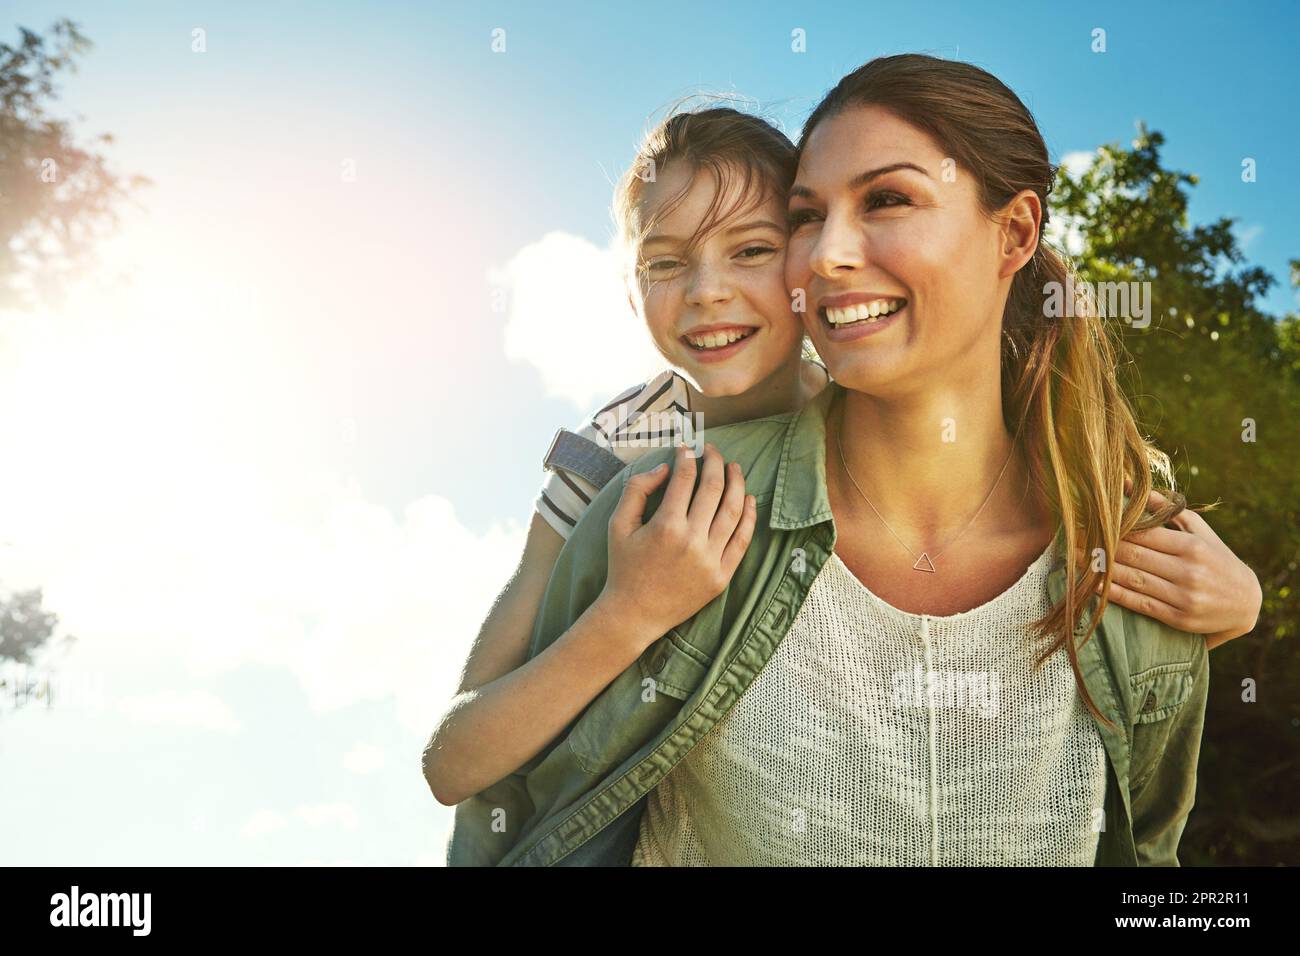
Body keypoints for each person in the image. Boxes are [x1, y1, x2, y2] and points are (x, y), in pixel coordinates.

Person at [433, 72, 1259, 864]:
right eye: (664, 264)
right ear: (630, 287)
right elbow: (456, 762)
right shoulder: (618, 456)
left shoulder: (891, 386)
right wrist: (630, 614)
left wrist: (1239, 605)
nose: (707, 293)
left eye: (753, 248)